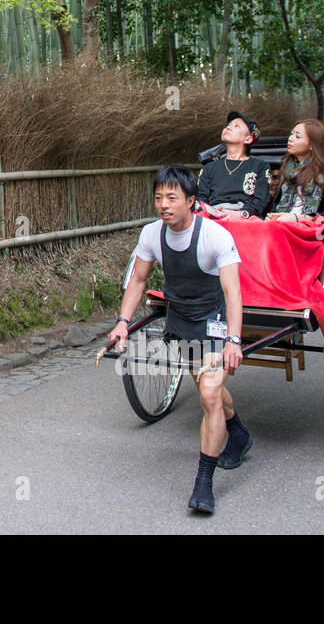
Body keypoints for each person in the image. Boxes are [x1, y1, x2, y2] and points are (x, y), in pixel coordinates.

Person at [108, 165, 249, 515]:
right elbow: (139, 280)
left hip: (214, 320)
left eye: (172, 198)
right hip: (180, 319)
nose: (163, 205)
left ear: (191, 201)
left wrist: (234, 338)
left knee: (208, 393)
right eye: (158, 198)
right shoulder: (152, 234)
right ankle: (239, 434)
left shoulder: (215, 236)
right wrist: (123, 322)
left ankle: (204, 482)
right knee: (208, 387)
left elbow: (233, 290)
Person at [196, 111, 273, 219]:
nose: (228, 128)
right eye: (228, 125)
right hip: (214, 215)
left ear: (248, 138)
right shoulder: (209, 167)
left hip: (245, 217)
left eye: (237, 126)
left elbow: (261, 199)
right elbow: (200, 198)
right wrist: (208, 212)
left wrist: (242, 214)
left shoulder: (259, 166)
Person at [267, 119, 324, 226]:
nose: (290, 138)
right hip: (284, 220)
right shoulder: (287, 166)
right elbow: (277, 204)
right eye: (291, 134)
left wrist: (297, 219)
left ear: (312, 145)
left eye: (298, 136)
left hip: (311, 225)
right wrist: (275, 216)